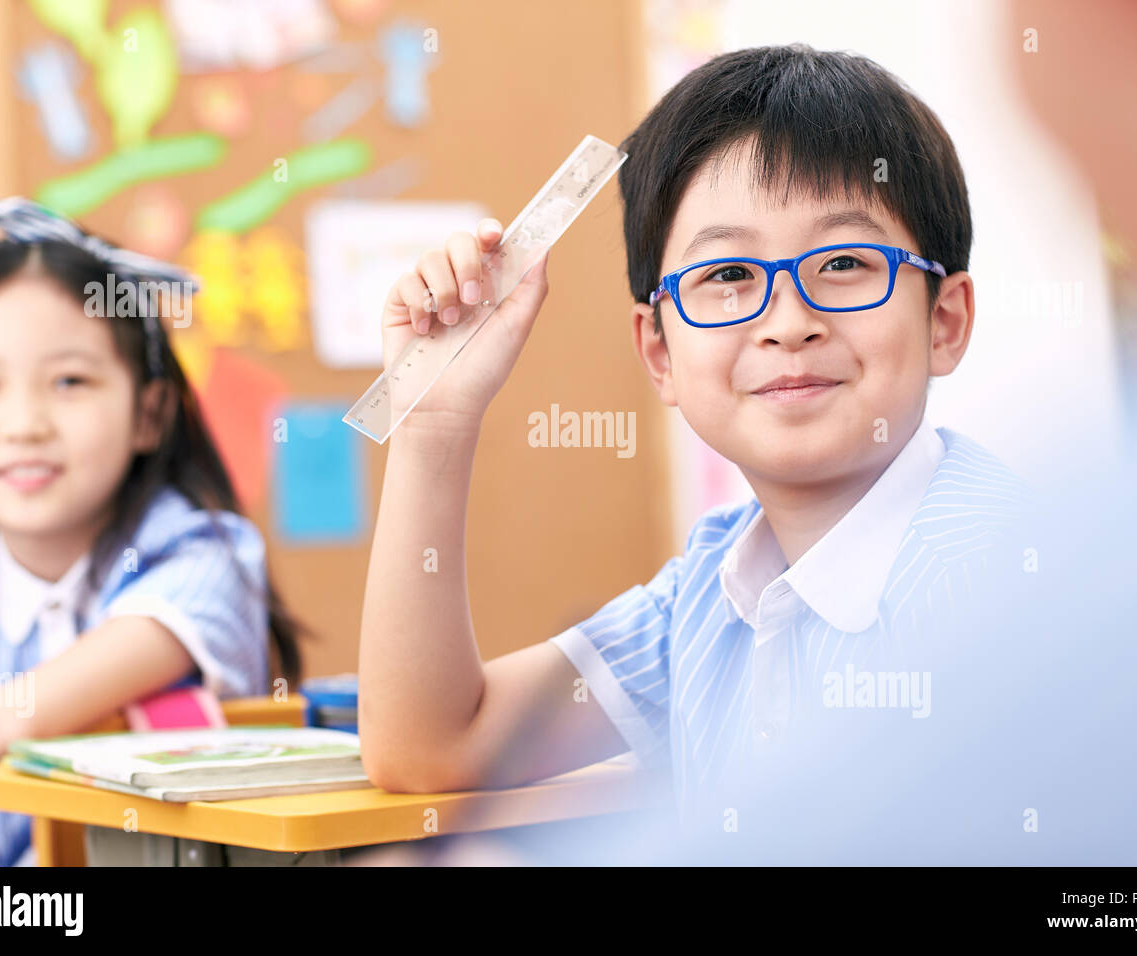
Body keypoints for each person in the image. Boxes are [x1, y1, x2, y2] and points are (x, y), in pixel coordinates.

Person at [356, 44, 1030, 824]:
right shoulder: (711, 592)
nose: (789, 322)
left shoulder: (1005, 583)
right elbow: (432, 744)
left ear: (944, 320)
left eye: (845, 261)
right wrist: (434, 422)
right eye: (728, 275)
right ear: (659, 352)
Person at [0, 201, 302, 866]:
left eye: (69, 381)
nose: (23, 424)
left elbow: (12, 718)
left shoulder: (204, 559)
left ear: (149, 413)